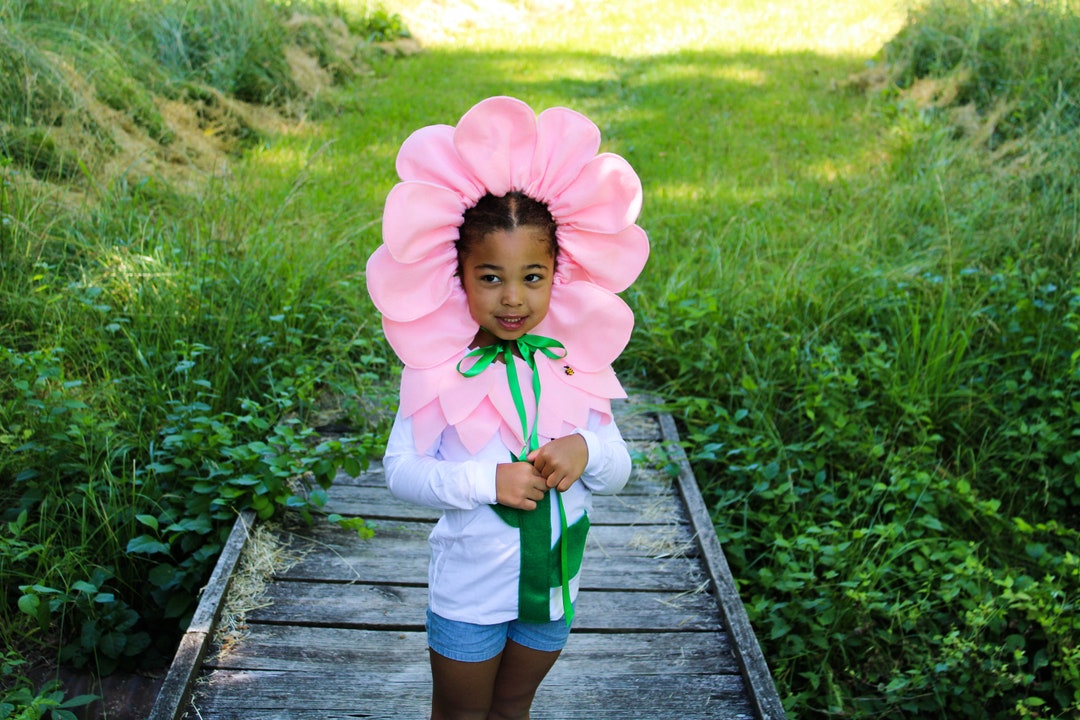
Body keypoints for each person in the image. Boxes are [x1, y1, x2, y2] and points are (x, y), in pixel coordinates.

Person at [366, 96, 649, 720]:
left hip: (552, 589)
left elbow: (619, 468)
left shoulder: (575, 364)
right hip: (469, 596)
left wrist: (587, 450)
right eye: (491, 277)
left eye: (533, 276)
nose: (513, 298)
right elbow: (400, 470)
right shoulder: (438, 369)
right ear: (457, 273)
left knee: (514, 706)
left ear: (559, 272)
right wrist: (485, 481)